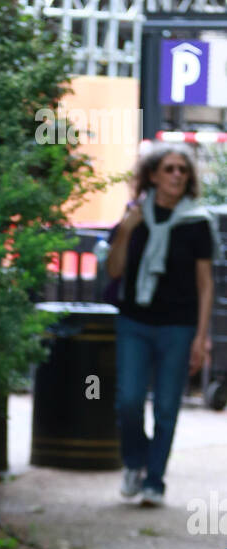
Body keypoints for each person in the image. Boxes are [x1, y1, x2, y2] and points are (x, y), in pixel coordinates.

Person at [107, 144, 216, 506]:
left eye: (182, 171)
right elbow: (114, 270)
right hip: (135, 321)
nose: (175, 175)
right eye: (168, 168)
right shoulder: (134, 215)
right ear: (153, 175)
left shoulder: (197, 221)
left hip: (178, 326)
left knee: (167, 407)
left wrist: (202, 337)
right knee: (129, 400)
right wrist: (126, 229)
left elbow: (205, 283)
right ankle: (134, 463)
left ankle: (155, 480)